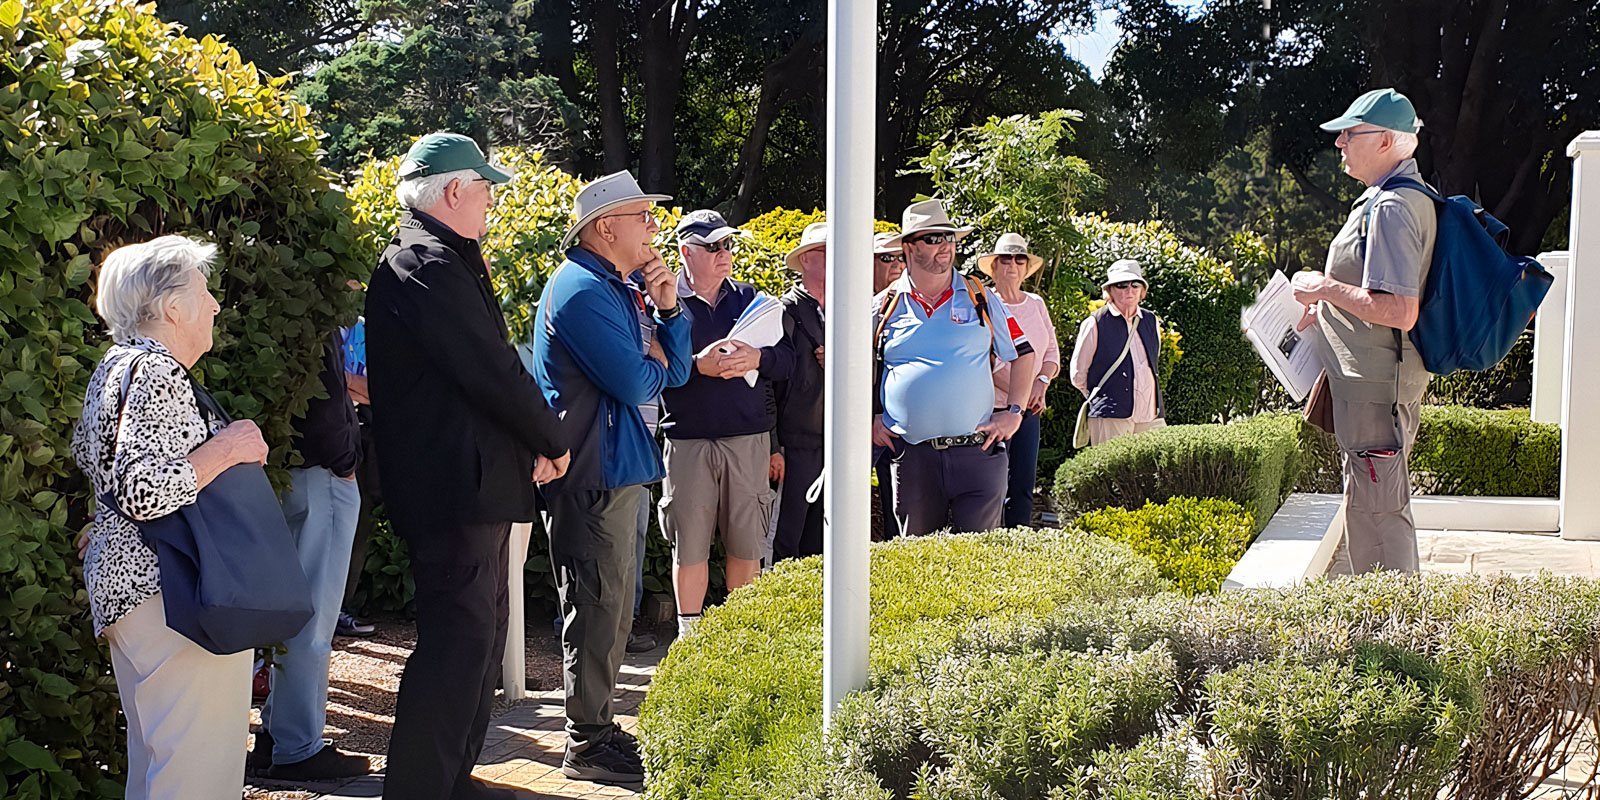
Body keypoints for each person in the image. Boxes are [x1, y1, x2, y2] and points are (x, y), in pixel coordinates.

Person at [366, 132, 571, 800]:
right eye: (485, 189)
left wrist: (529, 442)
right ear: (454, 190)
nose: (490, 203)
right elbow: (492, 369)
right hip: (452, 493)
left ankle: (452, 780)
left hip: (471, 487)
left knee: (476, 645)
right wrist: (551, 437)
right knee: (457, 646)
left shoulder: (440, 256)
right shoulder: (423, 261)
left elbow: (485, 372)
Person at [71, 235, 268, 799]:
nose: (215, 305)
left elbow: (100, 467)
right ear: (172, 308)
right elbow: (144, 487)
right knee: (196, 776)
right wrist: (228, 448)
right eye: (204, 292)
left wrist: (102, 528)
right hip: (176, 593)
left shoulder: (116, 367)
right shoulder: (155, 372)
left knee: (160, 766)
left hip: (134, 592)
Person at [531, 170, 692, 786]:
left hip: (617, 467)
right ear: (606, 227)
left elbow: (672, 374)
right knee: (598, 607)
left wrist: (670, 310)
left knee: (612, 608)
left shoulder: (616, 287)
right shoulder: (581, 290)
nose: (654, 228)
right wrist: (650, 362)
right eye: (642, 217)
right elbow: (634, 381)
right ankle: (587, 741)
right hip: (595, 474)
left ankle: (595, 728)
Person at [1291, 88, 1436, 574]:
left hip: (1376, 391)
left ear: (1386, 141)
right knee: (1372, 504)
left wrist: (1326, 289)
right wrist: (1328, 311)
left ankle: (1390, 637)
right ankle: (1385, 628)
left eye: (1350, 133)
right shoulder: (1386, 199)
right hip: (1373, 384)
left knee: (1378, 515)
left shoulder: (1393, 207)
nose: (1340, 143)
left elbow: (1399, 309)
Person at [658, 209, 794, 635]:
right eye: (713, 246)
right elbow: (650, 369)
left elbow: (788, 363)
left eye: (727, 245)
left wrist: (759, 358)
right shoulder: (664, 304)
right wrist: (698, 366)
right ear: (686, 252)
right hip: (687, 441)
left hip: (747, 439)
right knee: (690, 547)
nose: (724, 254)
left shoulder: (752, 300)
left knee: (746, 545)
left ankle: (742, 641)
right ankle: (690, 642)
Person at [873, 200, 1036, 537]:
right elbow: (849, 371)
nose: (945, 246)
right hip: (912, 457)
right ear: (908, 248)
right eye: (933, 238)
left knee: (979, 565)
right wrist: (867, 418)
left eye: (949, 237)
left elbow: (1024, 353)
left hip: (978, 452)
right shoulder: (883, 306)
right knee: (917, 566)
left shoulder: (981, 297)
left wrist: (1015, 411)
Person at [247, 329, 369, 780]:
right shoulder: (320, 311)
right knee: (313, 618)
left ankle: (278, 735)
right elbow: (326, 399)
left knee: (292, 611)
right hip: (321, 472)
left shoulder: (280, 299)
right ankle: (298, 744)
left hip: (289, 468)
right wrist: (346, 459)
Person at [979, 233, 1060, 528]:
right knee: (993, 486)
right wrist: (1020, 393)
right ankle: (991, 546)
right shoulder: (985, 304)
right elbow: (986, 360)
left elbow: (1051, 350)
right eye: (1006, 258)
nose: (1013, 264)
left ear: (1026, 267)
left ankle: (1021, 543)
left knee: (1023, 483)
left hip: (1030, 410)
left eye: (1019, 258)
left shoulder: (1036, 303)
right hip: (996, 410)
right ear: (994, 267)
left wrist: (1041, 382)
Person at [773, 221, 828, 560]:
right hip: (793, 448)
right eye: (826, 251)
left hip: (837, 449)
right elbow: (766, 384)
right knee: (784, 544)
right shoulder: (783, 313)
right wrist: (772, 445)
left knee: (823, 548)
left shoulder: (853, 312)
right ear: (805, 259)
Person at [1068, 260, 1168, 446]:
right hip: (1111, 416)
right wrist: (1105, 397)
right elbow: (1078, 375)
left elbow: (1152, 363)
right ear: (1110, 291)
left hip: (1150, 413)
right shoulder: (1095, 323)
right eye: (1121, 285)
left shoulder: (1150, 320)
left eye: (1135, 284)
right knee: (1113, 474)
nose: (1129, 290)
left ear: (1142, 290)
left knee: (1155, 471)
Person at [336, 316, 378, 638]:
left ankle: (342, 607)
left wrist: (346, 381)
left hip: (365, 437)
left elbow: (379, 388)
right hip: (332, 437)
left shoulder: (368, 329)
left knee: (358, 525)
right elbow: (332, 383)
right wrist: (348, 383)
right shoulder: (324, 330)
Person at [870, 231, 903, 539]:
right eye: (886, 258)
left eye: (900, 257)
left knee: (899, 506)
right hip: (861, 425)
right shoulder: (852, 306)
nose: (896, 264)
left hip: (899, 425)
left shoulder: (912, 307)